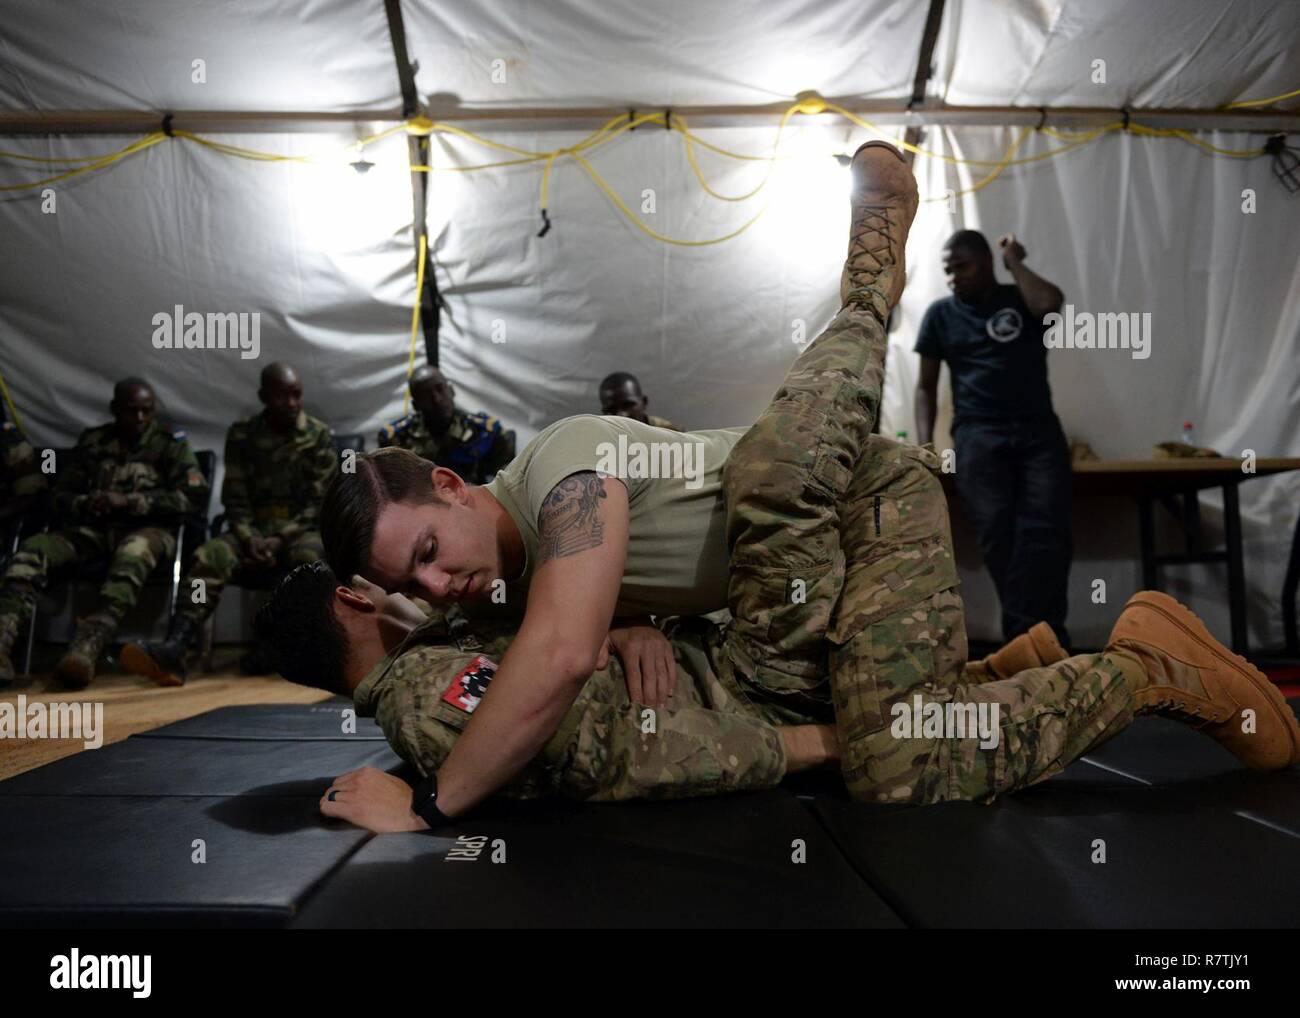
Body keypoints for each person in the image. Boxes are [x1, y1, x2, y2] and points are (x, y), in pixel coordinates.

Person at [318, 143, 1299, 823]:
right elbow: (578, 627)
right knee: (782, 543)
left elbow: (560, 657)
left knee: (899, 769)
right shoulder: (516, 578)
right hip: (792, 576)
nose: (436, 587)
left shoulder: (566, 467)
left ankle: (1146, 671)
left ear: (450, 484)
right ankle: (992, 678)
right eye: (414, 585)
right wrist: (632, 624)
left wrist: (435, 803)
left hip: (859, 506)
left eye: (428, 554)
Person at [255, 562, 1067, 831]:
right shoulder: (434, 698)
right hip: (741, 709)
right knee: (929, 751)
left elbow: (558, 656)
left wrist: (621, 628)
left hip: (714, 667)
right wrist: (814, 747)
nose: (407, 583)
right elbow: (622, 757)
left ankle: (996, 676)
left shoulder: (435, 655)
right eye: (379, 578)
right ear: (356, 604)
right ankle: (1124, 673)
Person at [122, 362, 336, 685]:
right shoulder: (241, 435)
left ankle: (293, 649)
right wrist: (249, 538)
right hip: (249, 530)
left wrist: (279, 538)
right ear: (264, 396)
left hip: (299, 531)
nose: (292, 403)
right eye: (283, 396)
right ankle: (177, 645)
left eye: (297, 394)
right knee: (208, 558)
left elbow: (319, 503)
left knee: (312, 563)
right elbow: (235, 497)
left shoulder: (318, 436)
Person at [914, 229, 1073, 645]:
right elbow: (925, 387)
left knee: (1046, 533)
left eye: (962, 266)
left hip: (1038, 432)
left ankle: (1034, 639)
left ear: (986, 262)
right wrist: (924, 445)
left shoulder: (1020, 298)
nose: (954, 277)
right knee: (997, 532)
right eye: (948, 270)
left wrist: (1015, 262)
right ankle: (1042, 639)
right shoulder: (940, 316)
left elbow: (1050, 303)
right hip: (977, 436)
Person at [0, 378, 208, 688]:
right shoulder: (93, 442)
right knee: (34, 550)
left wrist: (130, 502)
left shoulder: (169, 444)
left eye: (146, 411)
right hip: (92, 529)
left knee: (133, 553)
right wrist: (87, 502)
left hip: (147, 531)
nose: (139, 418)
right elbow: (60, 494)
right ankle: (4, 639)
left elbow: (192, 496)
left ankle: (88, 644)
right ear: (115, 409)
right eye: (131, 411)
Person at [377, 365, 515, 484]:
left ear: (451, 391)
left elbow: (506, 479)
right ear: (415, 404)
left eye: (440, 389)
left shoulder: (484, 432)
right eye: (425, 395)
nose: (436, 399)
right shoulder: (396, 439)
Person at [598, 371, 683, 431]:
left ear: (644, 403)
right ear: (604, 413)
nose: (621, 415)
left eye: (628, 405)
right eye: (612, 409)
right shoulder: (598, 439)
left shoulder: (671, 435)